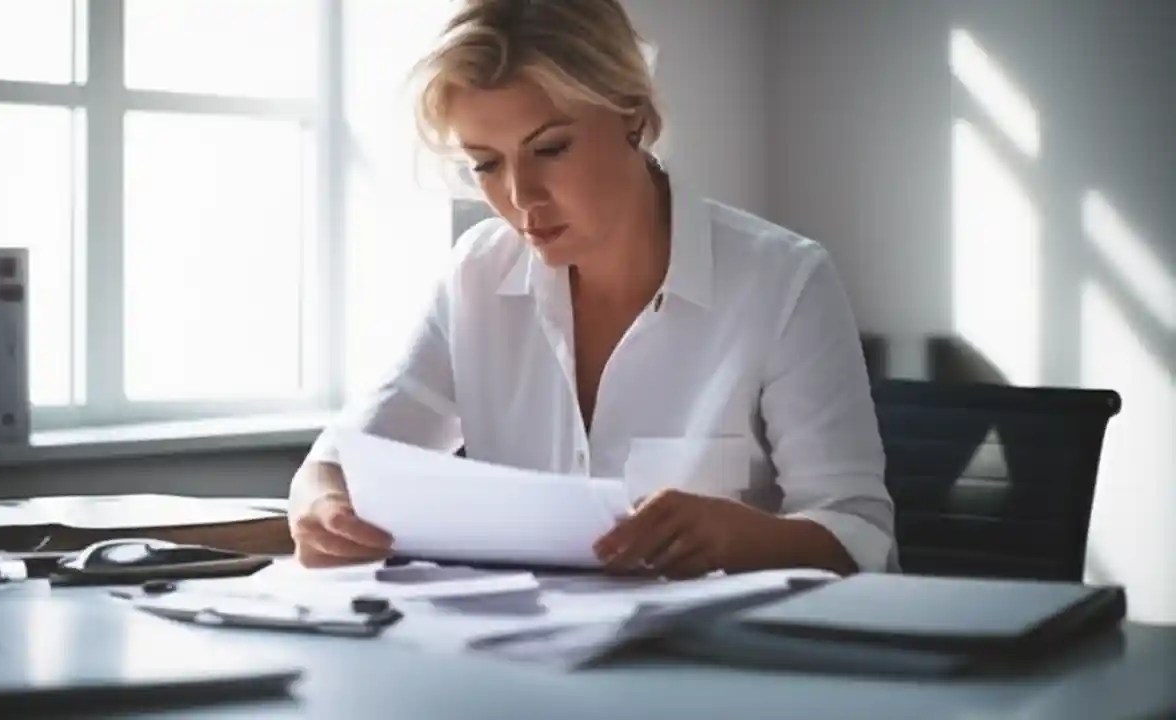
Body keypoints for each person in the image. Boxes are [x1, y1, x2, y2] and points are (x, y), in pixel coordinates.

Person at [288, 0, 895, 578]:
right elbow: (342, 460)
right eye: (486, 164)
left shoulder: (784, 281)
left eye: (550, 148)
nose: (521, 196)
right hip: (528, 645)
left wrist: (737, 537)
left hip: (722, 646)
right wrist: (321, 501)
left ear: (632, 112)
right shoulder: (477, 273)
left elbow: (861, 535)